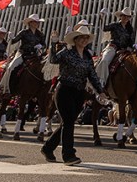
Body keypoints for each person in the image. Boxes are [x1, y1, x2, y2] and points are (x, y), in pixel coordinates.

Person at [42, 24, 108, 166]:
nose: (84, 40)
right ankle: (69, 155)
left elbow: (92, 75)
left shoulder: (88, 56)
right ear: (76, 39)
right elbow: (53, 60)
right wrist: (53, 43)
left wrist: (100, 91)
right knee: (69, 122)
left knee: (68, 122)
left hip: (79, 92)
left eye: (86, 38)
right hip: (64, 90)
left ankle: (47, 148)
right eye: (81, 38)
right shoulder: (67, 52)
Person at [4, 14, 47, 94]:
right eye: (35, 22)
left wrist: (41, 46)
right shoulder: (24, 32)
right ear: (30, 23)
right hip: (23, 53)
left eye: (38, 22)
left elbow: (44, 45)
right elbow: (13, 41)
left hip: (35, 55)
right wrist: (10, 38)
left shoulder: (41, 34)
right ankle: (7, 88)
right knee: (11, 67)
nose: (37, 24)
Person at [97, 7, 136, 83]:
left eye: (128, 16)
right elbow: (104, 28)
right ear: (120, 16)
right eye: (124, 16)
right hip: (113, 47)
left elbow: (131, 41)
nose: (125, 18)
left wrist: (133, 45)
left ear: (129, 18)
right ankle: (101, 81)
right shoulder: (115, 25)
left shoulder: (130, 29)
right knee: (104, 61)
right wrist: (102, 18)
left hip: (124, 50)